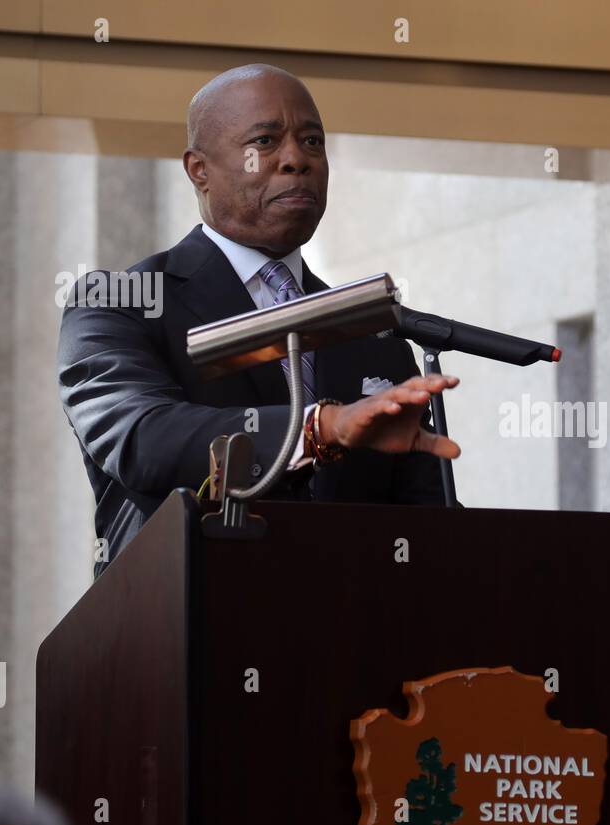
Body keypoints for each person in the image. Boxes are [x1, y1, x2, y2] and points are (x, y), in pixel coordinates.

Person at [58, 64, 460, 575]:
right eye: (265, 142)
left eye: (312, 141)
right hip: (186, 624)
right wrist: (322, 429)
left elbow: (429, 523)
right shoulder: (118, 300)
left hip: (352, 633)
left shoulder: (372, 332)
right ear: (198, 170)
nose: (296, 159)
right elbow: (142, 439)